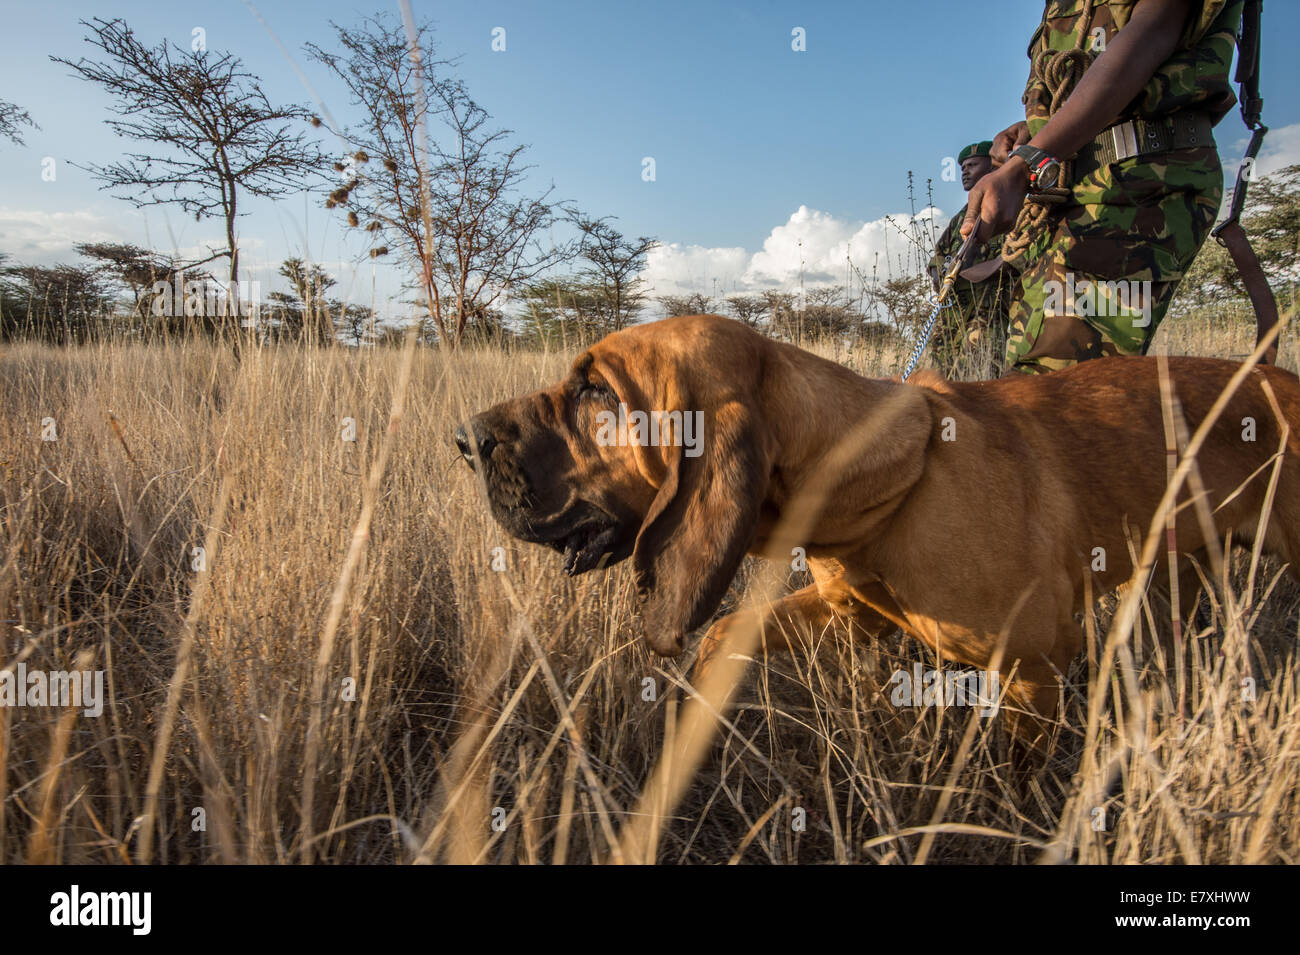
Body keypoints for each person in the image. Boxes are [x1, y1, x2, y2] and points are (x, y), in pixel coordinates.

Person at [961, 0, 1243, 375]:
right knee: (1028, 384)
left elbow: (1150, 34)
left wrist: (1032, 158)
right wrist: (1040, 130)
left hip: (1136, 188)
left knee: (1055, 390)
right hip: (1069, 199)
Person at [928, 140, 1014, 377]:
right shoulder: (960, 218)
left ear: (993, 167)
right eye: (962, 167)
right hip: (954, 307)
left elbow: (1017, 255)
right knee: (941, 367)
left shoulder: (1011, 209)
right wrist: (941, 276)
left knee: (979, 367)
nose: (965, 171)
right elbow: (938, 254)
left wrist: (972, 273)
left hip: (989, 306)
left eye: (972, 165)